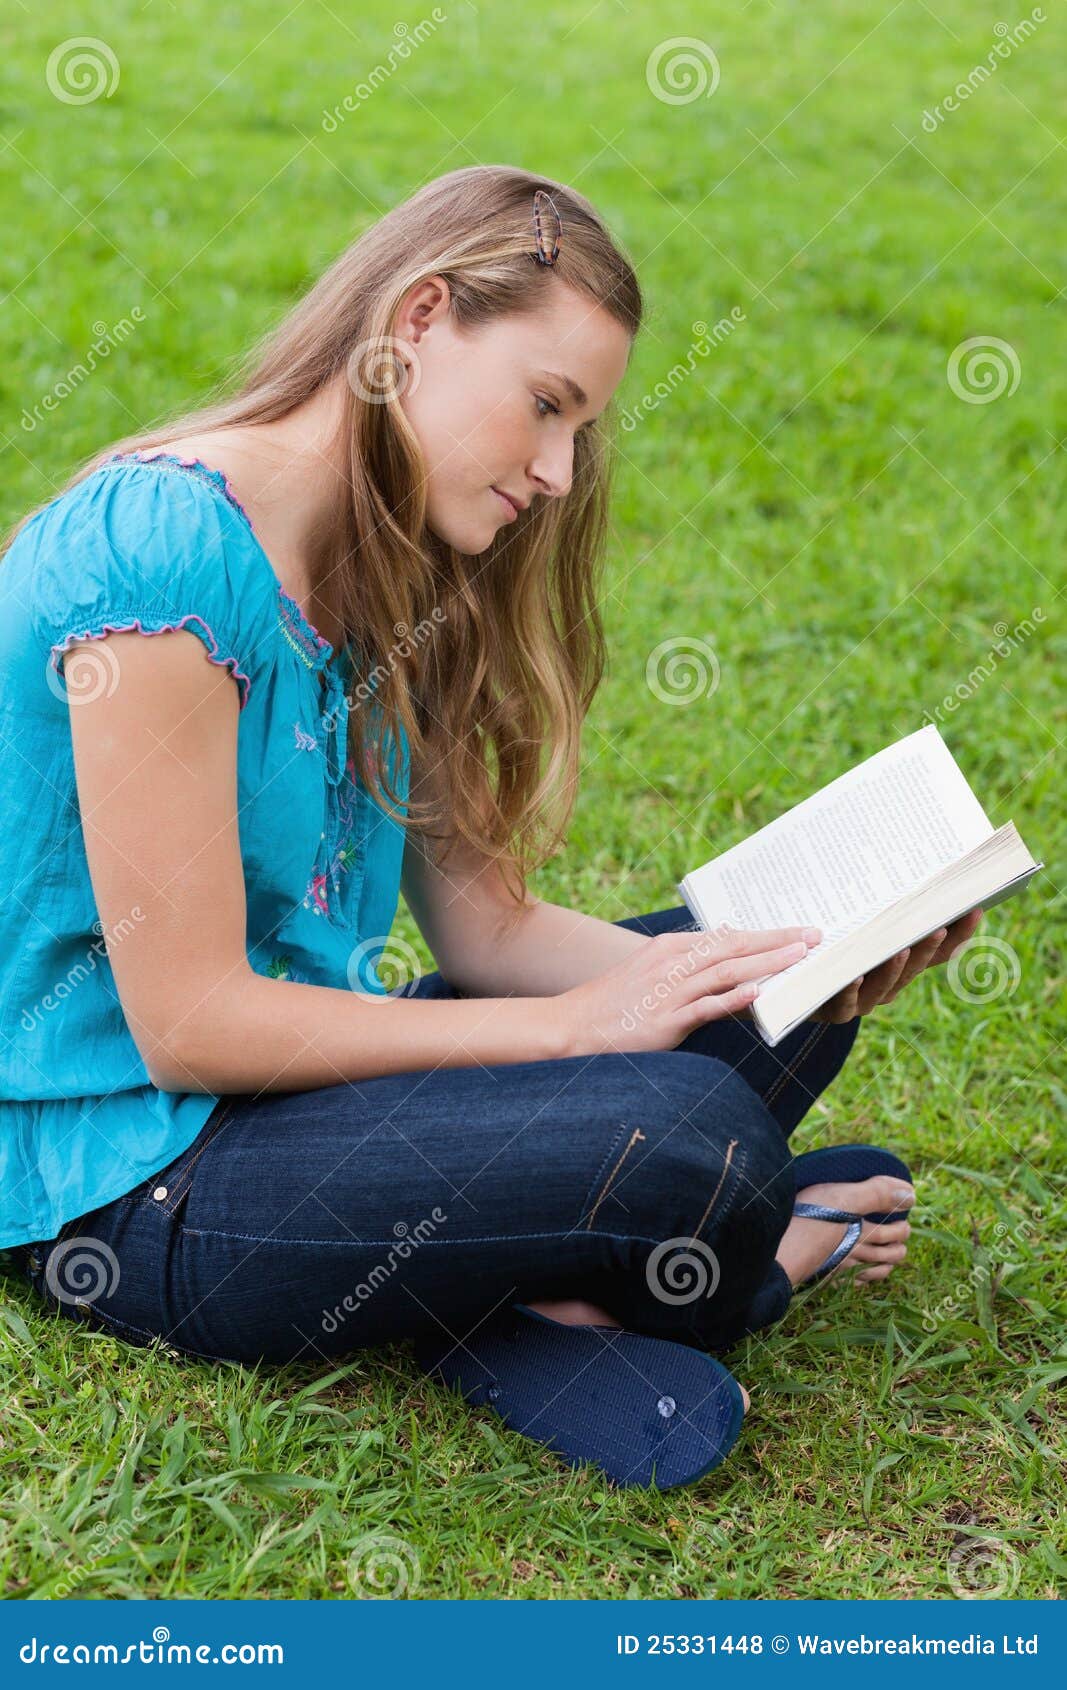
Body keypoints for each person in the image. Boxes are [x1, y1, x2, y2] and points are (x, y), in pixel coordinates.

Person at [0, 166, 981, 1491]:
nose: (561, 470)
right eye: (548, 406)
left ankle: (479, 1287)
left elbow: (490, 928)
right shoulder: (157, 563)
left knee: (774, 1010)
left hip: (305, 1103)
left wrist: (804, 955)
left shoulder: (404, 568)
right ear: (416, 323)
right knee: (694, 1135)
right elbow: (188, 1023)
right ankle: (716, 1280)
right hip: (130, 1179)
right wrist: (579, 1033)